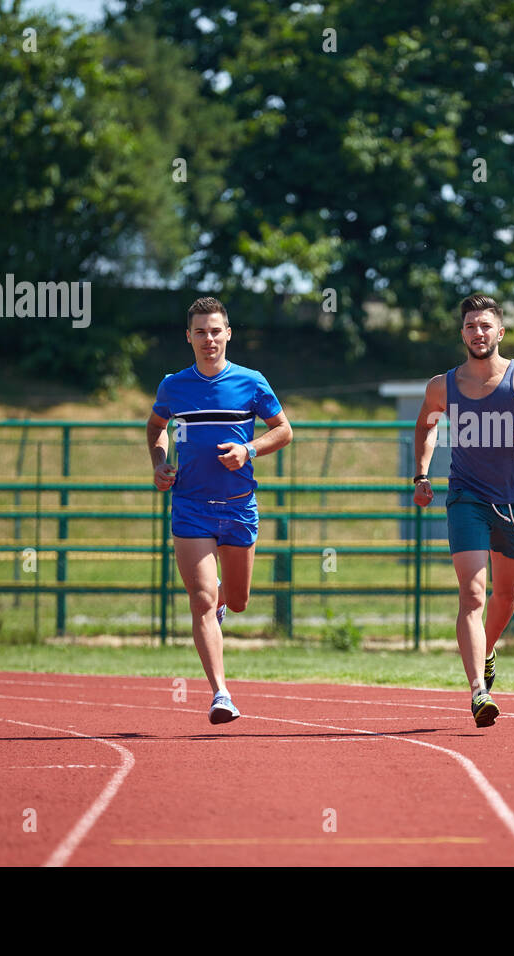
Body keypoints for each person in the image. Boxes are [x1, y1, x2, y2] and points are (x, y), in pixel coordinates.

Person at [412, 293, 514, 727]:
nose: (478, 333)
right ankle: (477, 692)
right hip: (467, 499)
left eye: (485, 326)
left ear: (499, 332)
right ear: (461, 332)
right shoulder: (441, 386)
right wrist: (422, 475)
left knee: (506, 596)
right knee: (472, 593)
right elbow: (426, 425)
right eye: (470, 326)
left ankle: (486, 650)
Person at [146, 296, 292, 724]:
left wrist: (248, 449)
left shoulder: (251, 382)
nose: (208, 339)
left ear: (228, 334)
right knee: (202, 600)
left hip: (238, 506)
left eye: (215, 331)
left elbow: (283, 430)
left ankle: (225, 605)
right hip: (190, 507)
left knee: (239, 600)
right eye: (200, 332)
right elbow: (156, 427)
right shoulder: (173, 386)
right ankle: (221, 694)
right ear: (188, 337)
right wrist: (160, 464)